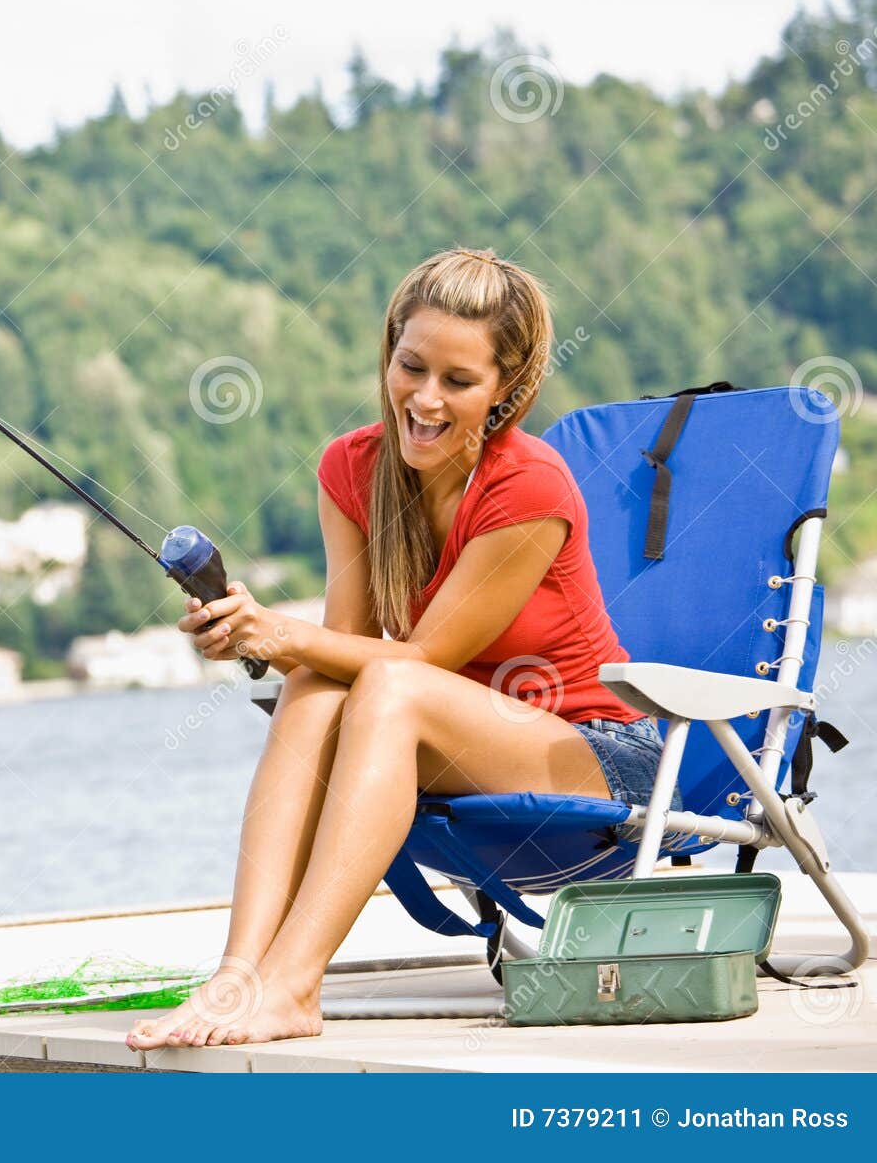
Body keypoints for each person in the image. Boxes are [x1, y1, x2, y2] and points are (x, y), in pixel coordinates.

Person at [126, 246, 675, 1051]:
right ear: (389, 351)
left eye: (458, 381)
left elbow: (421, 665)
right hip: (446, 741)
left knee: (385, 687)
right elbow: (345, 649)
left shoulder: (529, 488)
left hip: (597, 759)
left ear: (506, 390)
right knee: (318, 683)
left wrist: (280, 630)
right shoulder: (352, 468)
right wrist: (251, 633)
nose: (425, 398)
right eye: (411, 367)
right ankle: (239, 976)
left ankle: (292, 984)